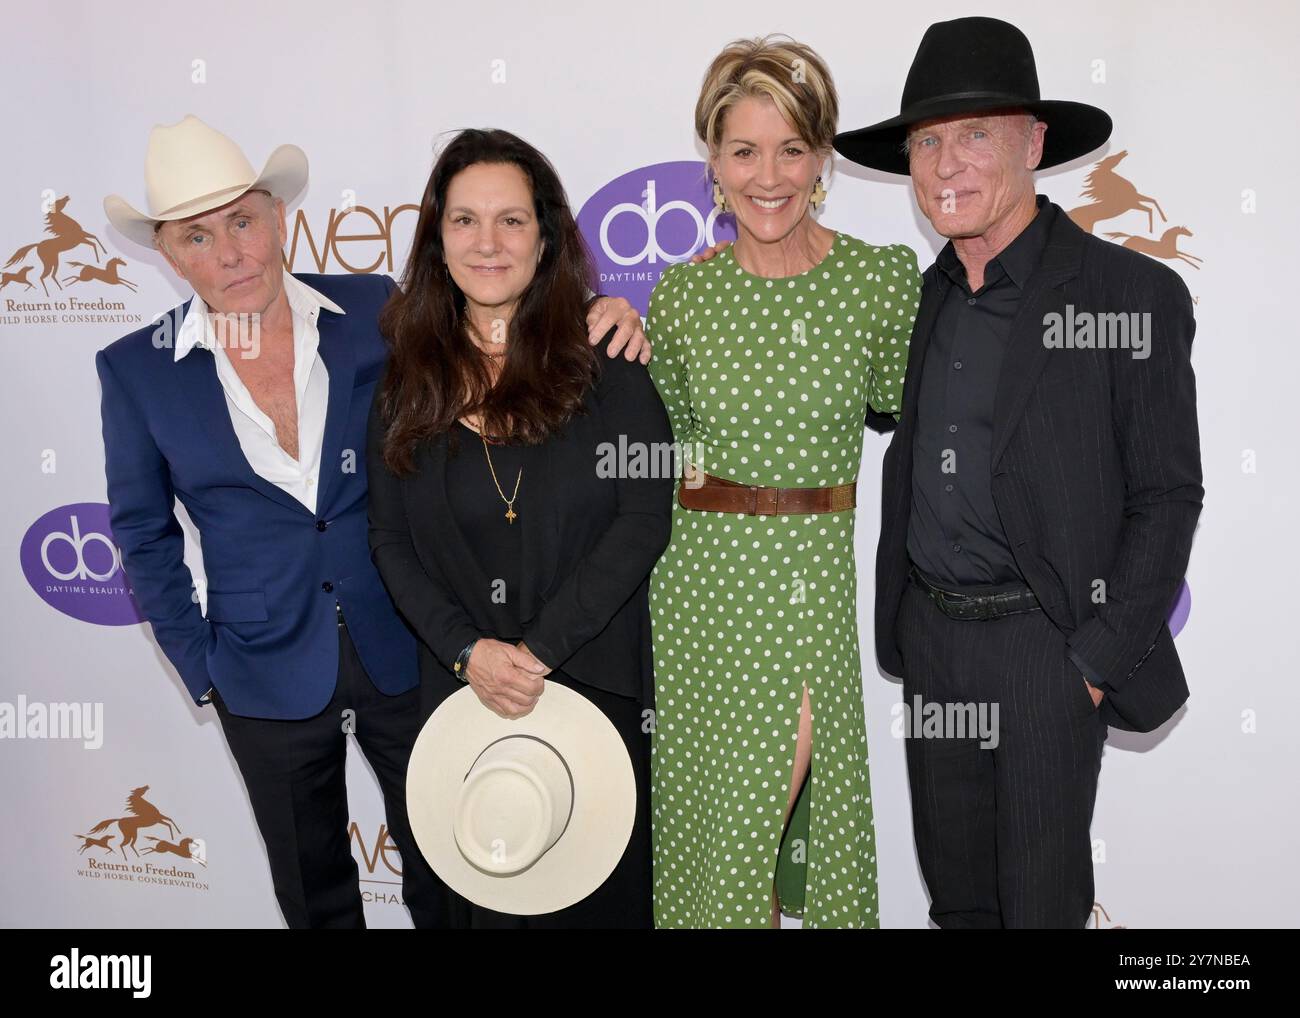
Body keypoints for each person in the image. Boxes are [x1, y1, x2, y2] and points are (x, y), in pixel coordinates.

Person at [96, 115, 648, 929]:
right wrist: (203, 666)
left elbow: (501, 328)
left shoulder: (372, 314)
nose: (231, 254)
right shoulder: (135, 369)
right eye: (198, 237)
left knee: (449, 872)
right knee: (315, 895)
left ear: (278, 217)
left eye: (243, 222)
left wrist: (609, 308)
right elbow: (142, 533)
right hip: (260, 672)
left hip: (409, 653)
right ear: (169, 254)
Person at [833, 16, 1202, 927]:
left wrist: (1093, 661)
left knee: (1040, 909)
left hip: (1048, 649)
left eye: (975, 135)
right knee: (957, 905)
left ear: (1034, 144)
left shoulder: (1129, 294)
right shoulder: (916, 299)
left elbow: (1168, 493)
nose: (945, 163)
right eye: (926, 140)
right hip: (935, 646)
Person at [366, 128, 674, 928]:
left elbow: (643, 522)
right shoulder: (405, 380)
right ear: (437, 242)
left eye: (511, 220)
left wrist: (534, 655)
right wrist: (472, 655)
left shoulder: (610, 365)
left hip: (591, 697)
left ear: (546, 237)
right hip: (464, 705)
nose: (487, 242)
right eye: (464, 220)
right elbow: (390, 542)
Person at [646, 36, 922, 928]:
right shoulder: (681, 298)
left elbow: (934, 421)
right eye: (744, 150)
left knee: (796, 802)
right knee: (723, 838)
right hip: (698, 587)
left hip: (807, 581)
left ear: (824, 158)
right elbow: (656, 451)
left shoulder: (880, 282)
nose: (770, 176)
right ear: (715, 163)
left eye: (793, 148)